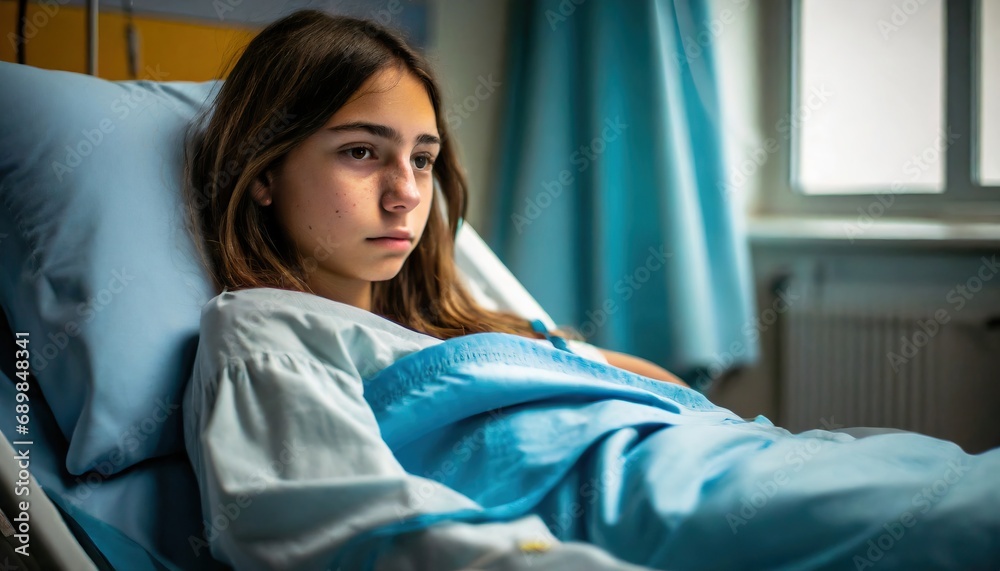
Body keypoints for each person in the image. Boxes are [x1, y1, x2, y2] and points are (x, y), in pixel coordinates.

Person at [182, 9, 1000, 571]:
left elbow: (646, 389)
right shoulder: (264, 329)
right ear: (264, 171)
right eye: (362, 152)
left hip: (727, 455)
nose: (406, 194)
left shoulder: (452, 328)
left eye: (422, 159)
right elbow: (353, 531)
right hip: (653, 504)